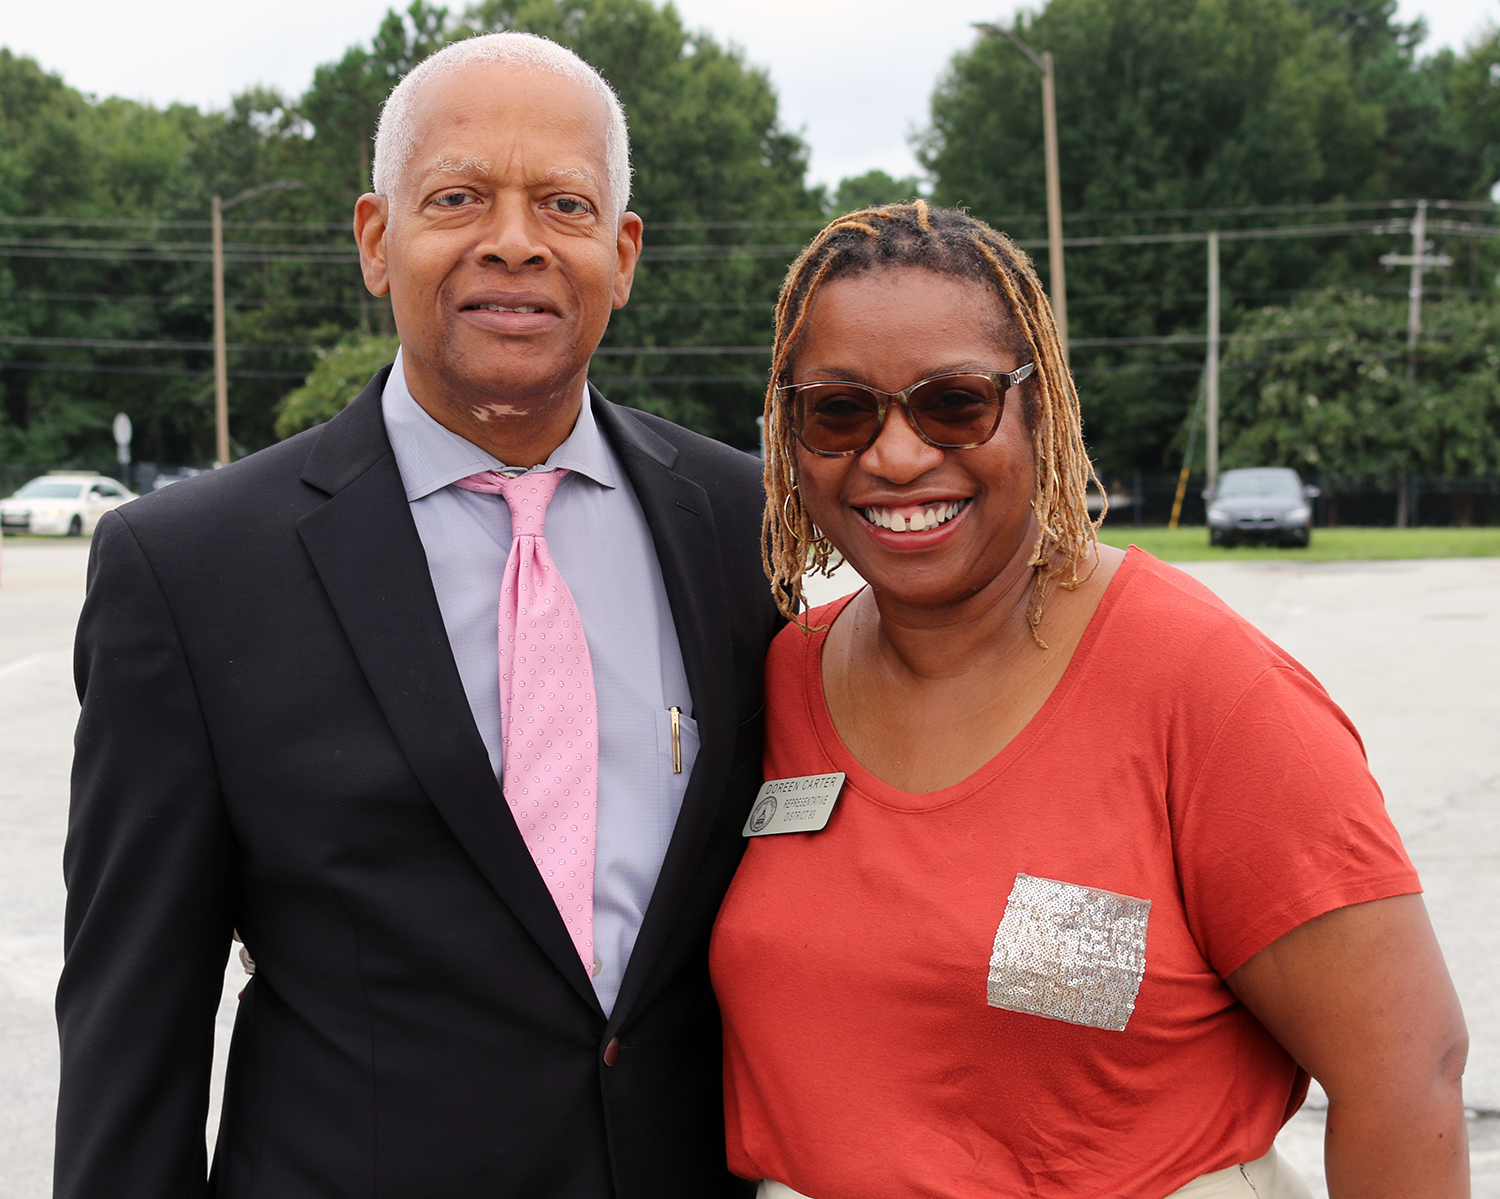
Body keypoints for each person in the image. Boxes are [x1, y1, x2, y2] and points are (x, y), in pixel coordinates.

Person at [57, 32, 775, 1199]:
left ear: (623, 253)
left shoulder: (746, 526)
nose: (515, 240)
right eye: (458, 197)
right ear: (375, 240)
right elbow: (133, 1023)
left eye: (565, 203)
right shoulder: (190, 569)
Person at [709, 202, 1469, 1199]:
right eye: (840, 411)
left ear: (1040, 408)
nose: (895, 456)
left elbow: (1408, 1074)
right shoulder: (782, 674)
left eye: (954, 403)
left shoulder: (1208, 687)